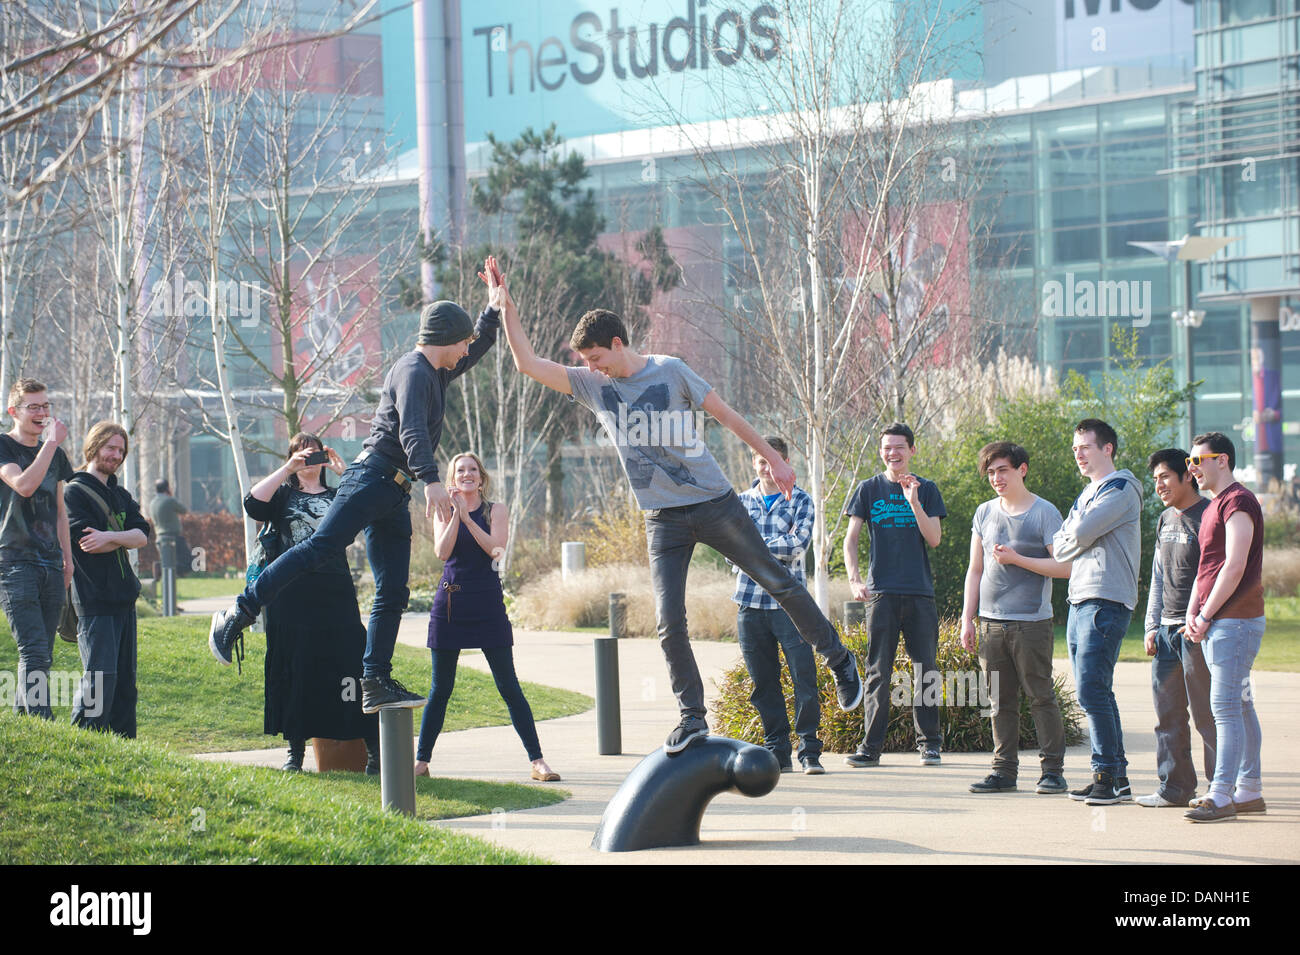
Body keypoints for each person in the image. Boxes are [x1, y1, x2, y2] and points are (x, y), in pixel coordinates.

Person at [491, 256, 862, 754]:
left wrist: (773, 458)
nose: (591, 368)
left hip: (714, 503)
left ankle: (838, 659)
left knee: (777, 579)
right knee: (669, 622)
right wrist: (506, 307)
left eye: (596, 357)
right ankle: (692, 717)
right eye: (585, 361)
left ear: (618, 343)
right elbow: (527, 364)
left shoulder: (671, 371)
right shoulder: (592, 386)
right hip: (662, 520)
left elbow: (727, 416)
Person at [209, 259, 503, 713]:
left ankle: (374, 680)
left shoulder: (437, 370)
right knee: (320, 547)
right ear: (445, 340)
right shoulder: (413, 371)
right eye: (462, 341)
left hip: (392, 492)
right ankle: (239, 613)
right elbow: (412, 433)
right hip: (372, 476)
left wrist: (492, 309)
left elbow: (479, 346)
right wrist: (431, 481)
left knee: (392, 590)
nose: (467, 350)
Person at [414, 451, 559, 782]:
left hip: (487, 604)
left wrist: (468, 520)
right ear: (452, 480)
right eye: (460, 470)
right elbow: (442, 552)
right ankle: (421, 762)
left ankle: (537, 761)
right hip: (450, 606)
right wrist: (455, 516)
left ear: (481, 478)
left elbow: (495, 550)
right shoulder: (442, 509)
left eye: (472, 470)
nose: (466, 474)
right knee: (440, 689)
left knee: (509, 686)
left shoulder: (496, 510)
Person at [244, 433, 380, 773]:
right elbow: (251, 504)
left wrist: (343, 471)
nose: (308, 461)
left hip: (335, 593)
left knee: (350, 665)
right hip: (289, 595)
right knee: (297, 668)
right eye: (300, 455)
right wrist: (285, 469)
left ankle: (373, 751)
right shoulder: (282, 496)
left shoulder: (338, 495)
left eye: (314, 454)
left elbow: (370, 505)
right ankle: (295, 752)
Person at [959, 441, 1069, 794]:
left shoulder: (1045, 513)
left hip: (1031, 623)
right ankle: (1003, 771)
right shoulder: (984, 512)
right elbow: (975, 570)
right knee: (998, 702)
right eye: (990, 472)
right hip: (990, 623)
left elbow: (1065, 567)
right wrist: (967, 618)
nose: (996, 478)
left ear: (1021, 469)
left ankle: (1052, 771)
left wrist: (1017, 559)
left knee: (1040, 697)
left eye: (1002, 470)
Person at [843, 422, 947, 767]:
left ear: (912, 450)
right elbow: (851, 539)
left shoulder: (927, 490)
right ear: (881, 451)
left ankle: (930, 744)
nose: (893, 453)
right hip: (881, 594)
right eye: (887, 447)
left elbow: (934, 538)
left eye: (899, 447)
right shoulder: (868, 489)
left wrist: (913, 501)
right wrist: (855, 580)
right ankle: (870, 749)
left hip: (919, 594)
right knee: (878, 673)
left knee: (926, 671)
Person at [1053, 418, 1143, 806]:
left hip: (1105, 599)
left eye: (1085, 447)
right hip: (1079, 599)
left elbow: (1081, 533)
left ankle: (1105, 775)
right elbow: (1058, 546)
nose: (1078, 454)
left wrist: (1076, 533)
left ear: (1107, 448)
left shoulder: (1121, 488)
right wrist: (1076, 533)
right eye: (1075, 448)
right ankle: (1115, 778)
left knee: (1091, 689)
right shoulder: (1086, 493)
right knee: (1095, 690)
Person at [1182, 432, 1266, 823]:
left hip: (1235, 622)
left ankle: (1221, 794)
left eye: (1200, 460)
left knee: (1226, 708)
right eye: (1190, 462)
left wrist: (1205, 614)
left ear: (1224, 460)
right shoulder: (1217, 504)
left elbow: (1234, 564)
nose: (1193, 468)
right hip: (1223, 622)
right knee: (1241, 705)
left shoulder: (1238, 501)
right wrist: (1193, 610)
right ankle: (1248, 790)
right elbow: (1210, 567)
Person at [732, 436, 824, 775]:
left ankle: (809, 750)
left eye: (774, 462)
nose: (767, 468)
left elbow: (798, 544)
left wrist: (752, 547)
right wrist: (758, 547)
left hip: (791, 606)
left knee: (804, 676)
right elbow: (732, 545)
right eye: (761, 462)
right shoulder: (739, 502)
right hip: (750, 603)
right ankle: (777, 750)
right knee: (762, 681)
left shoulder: (802, 501)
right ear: (754, 464)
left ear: (785, 463)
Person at [1136, 448, 1215, 808]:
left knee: (1207, 714)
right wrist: (1152, 624)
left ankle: (1220, 788)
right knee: (1168, 715)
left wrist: (1203, 620)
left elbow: (1217, 576)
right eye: (1155, 480)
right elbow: (1157, 575)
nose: (1159, 485)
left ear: (1187, 476)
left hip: (1198, 632)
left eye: (1165, 477)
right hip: (1166, 632)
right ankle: (1175, 788)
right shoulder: (1165, 519)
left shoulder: (1210, 516)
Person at [65, 422, 151, 736]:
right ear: (94, 446)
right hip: (94, 601)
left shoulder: (120, 493)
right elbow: (89, 541)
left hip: (124, 599)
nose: (115, 455)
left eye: (120, 450)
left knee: (126, 686)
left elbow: (143, 535)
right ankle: (81, 743)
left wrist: (113, 536)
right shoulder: (74, 492)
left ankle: (124, 749)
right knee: (99, 682)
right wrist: (125, 537)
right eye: (110, 447)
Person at [0, 378, 74, 718]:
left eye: (46, 406)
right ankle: (44, 723)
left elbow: (60, 510)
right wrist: (50, 444)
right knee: (33, 650)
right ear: (14, 411)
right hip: (14, 562)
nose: (42, 413)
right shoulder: (5, 446)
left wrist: (68, 560)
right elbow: (24, 486)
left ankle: (23, 723)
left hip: (50, 562)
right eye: (34, 407)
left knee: (43, 652)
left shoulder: (55, 455)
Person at [150, 479, 188, 578]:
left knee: (167, 561)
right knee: (186, 560)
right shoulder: (169, 500)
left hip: (159, 536)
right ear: (167, 488)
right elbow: (183, 510)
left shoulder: (152, 503)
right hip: (172, 536)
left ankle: (159, 568)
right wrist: (171, 495)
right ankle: (164, 571)